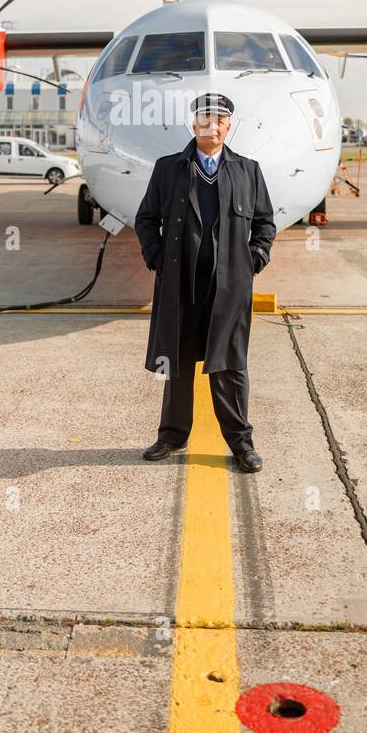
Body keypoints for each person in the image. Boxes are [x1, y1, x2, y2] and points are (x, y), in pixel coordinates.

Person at [134, 92, 276, 472]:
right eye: (203, 118)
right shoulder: (168, 169)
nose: (210, 125)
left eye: (218, 120)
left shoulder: (248, 171)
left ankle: (242, 444)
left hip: (228, 289)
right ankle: (171, 437)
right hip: (181, 286)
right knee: (176, 363)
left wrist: (254, 260)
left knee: (229, 366)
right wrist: (158, 259)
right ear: (194, 124)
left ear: (228, 127)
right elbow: (146, 219)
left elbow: (265, 223)